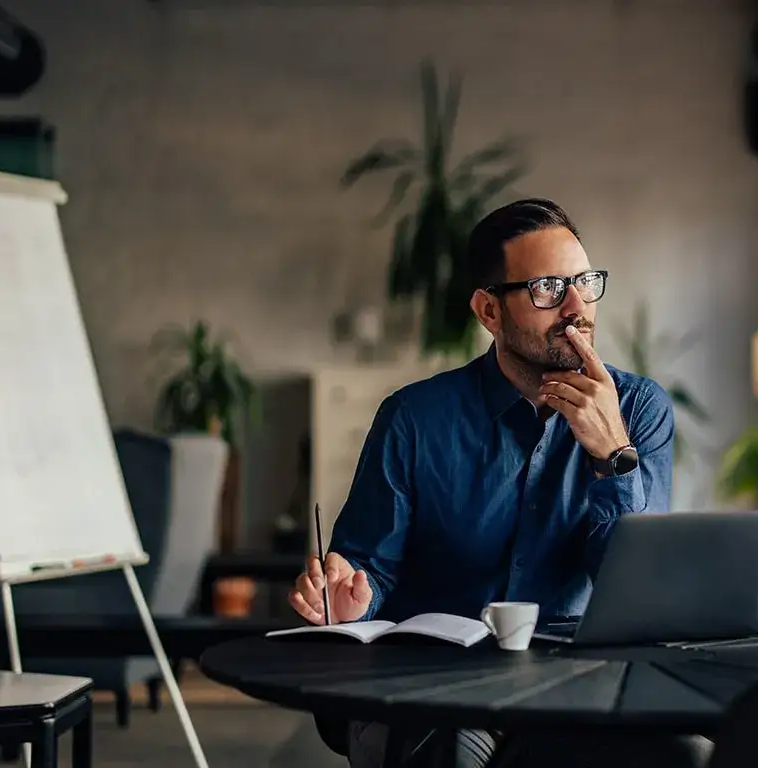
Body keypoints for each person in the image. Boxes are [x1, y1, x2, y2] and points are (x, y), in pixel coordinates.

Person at [288, 199, 712, 768]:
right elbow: (370, 567)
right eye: (546, 288)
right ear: (490, 310)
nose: (575, 306)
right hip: (439, 686)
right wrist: (345, 598)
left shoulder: (638, 410)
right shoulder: (415, 418)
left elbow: (636, 593)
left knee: (682, 754)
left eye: (584, 283)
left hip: (575, 683)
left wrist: (611, 453)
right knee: (454, 750)